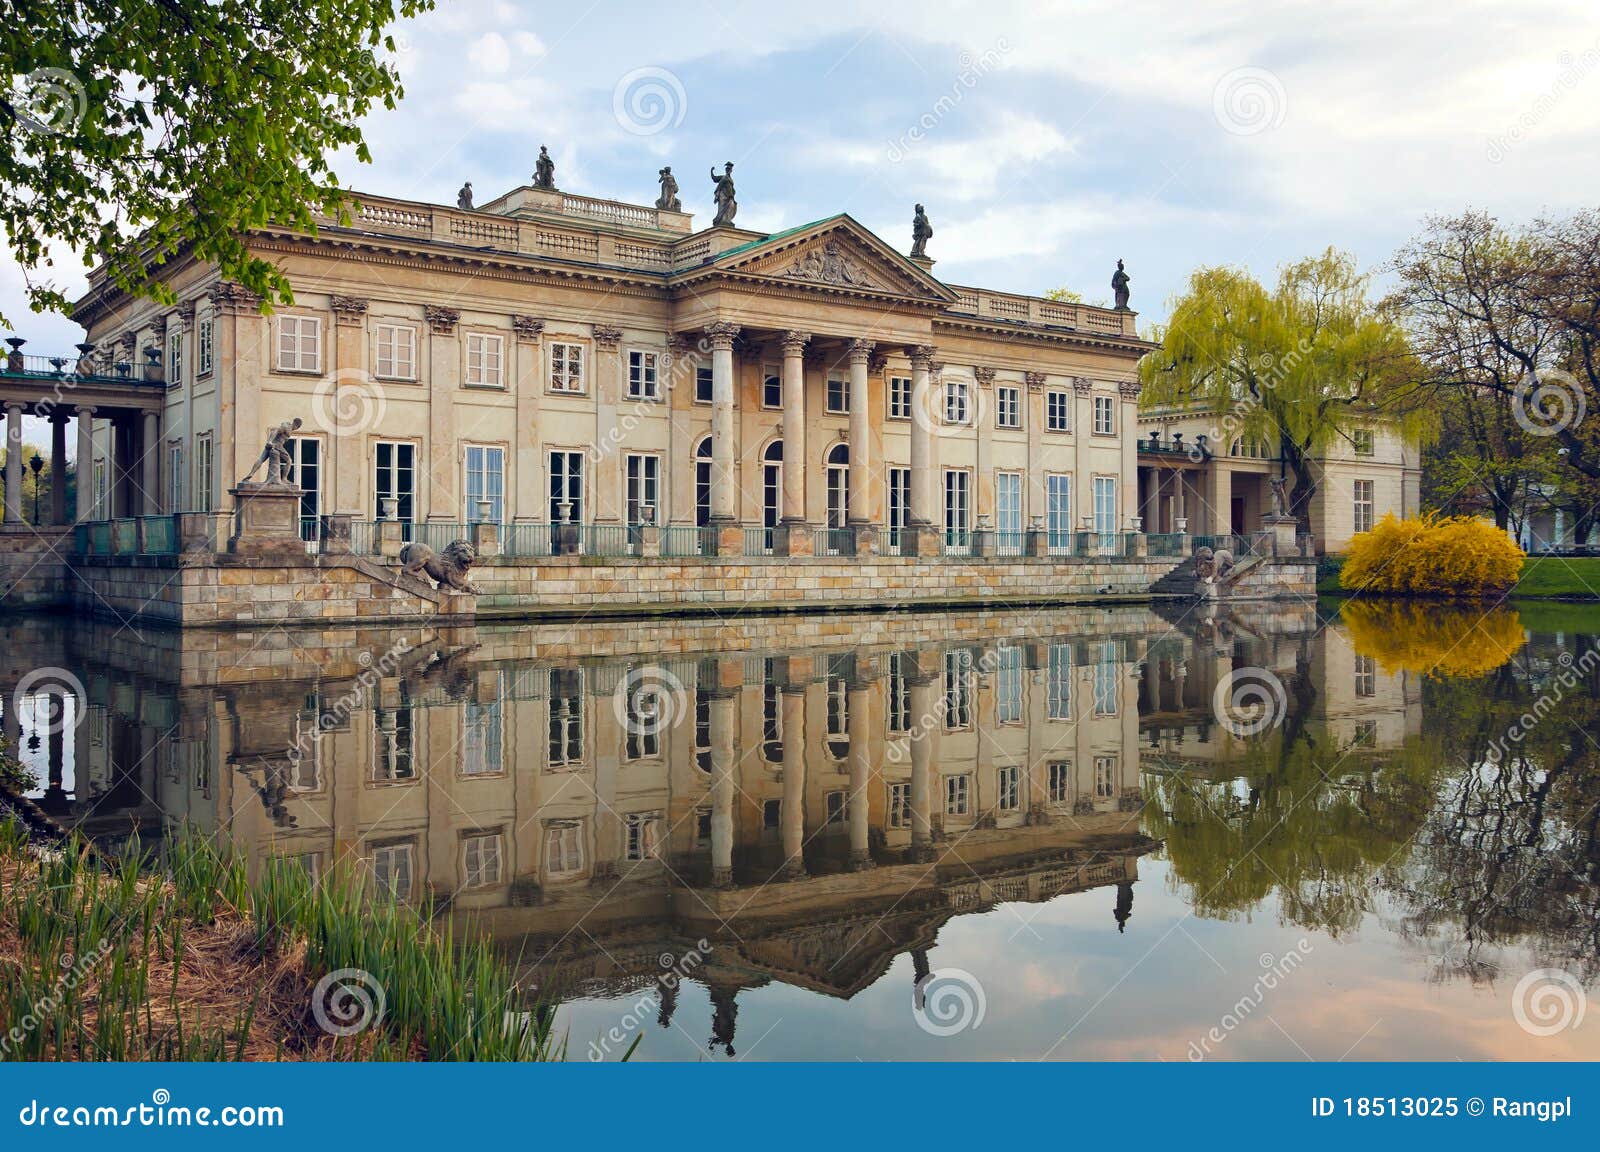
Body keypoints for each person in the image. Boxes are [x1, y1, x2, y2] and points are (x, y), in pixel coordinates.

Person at [242, 418, 303, 486]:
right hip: (277, 445)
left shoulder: (288, 427)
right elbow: (275, 431)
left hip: (272, 445)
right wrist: (270, 441)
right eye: (297, 427)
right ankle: (284, 478)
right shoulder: (287, 427)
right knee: (289, 461)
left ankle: (250, 474)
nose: (295, 429)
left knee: (261, 459)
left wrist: (270, 442)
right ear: (296, 426)